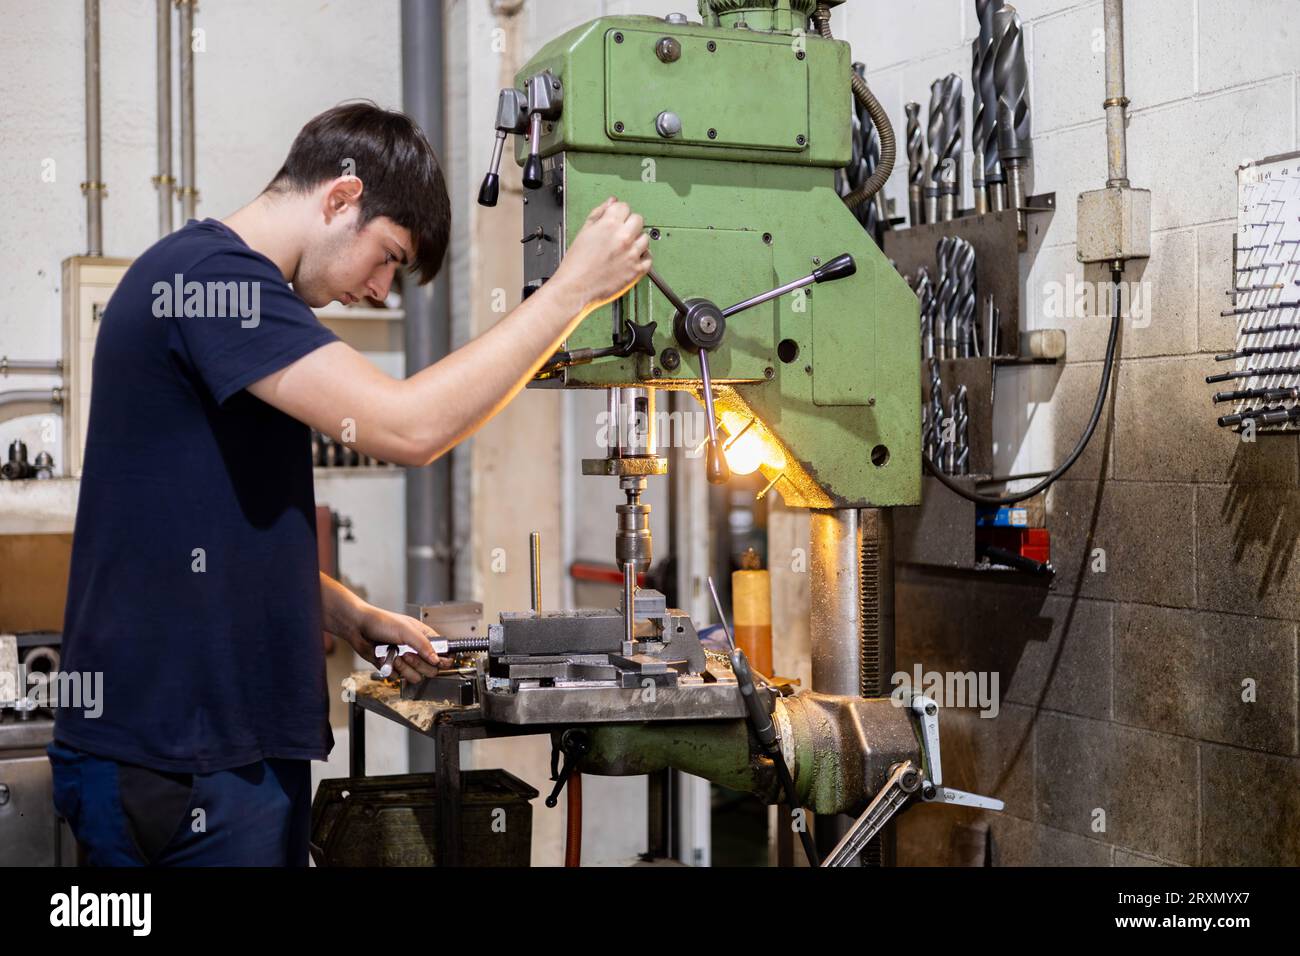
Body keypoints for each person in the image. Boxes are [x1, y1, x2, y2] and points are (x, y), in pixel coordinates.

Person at [48, 101, 651, 865]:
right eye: (388, 256)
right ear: (341, 197)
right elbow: (407, 428)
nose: (378, 289)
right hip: (185, 761)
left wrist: (350, 612)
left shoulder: (218, 287)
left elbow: (206, 531)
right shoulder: (211, 280)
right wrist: (571, 293)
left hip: (206, 754)